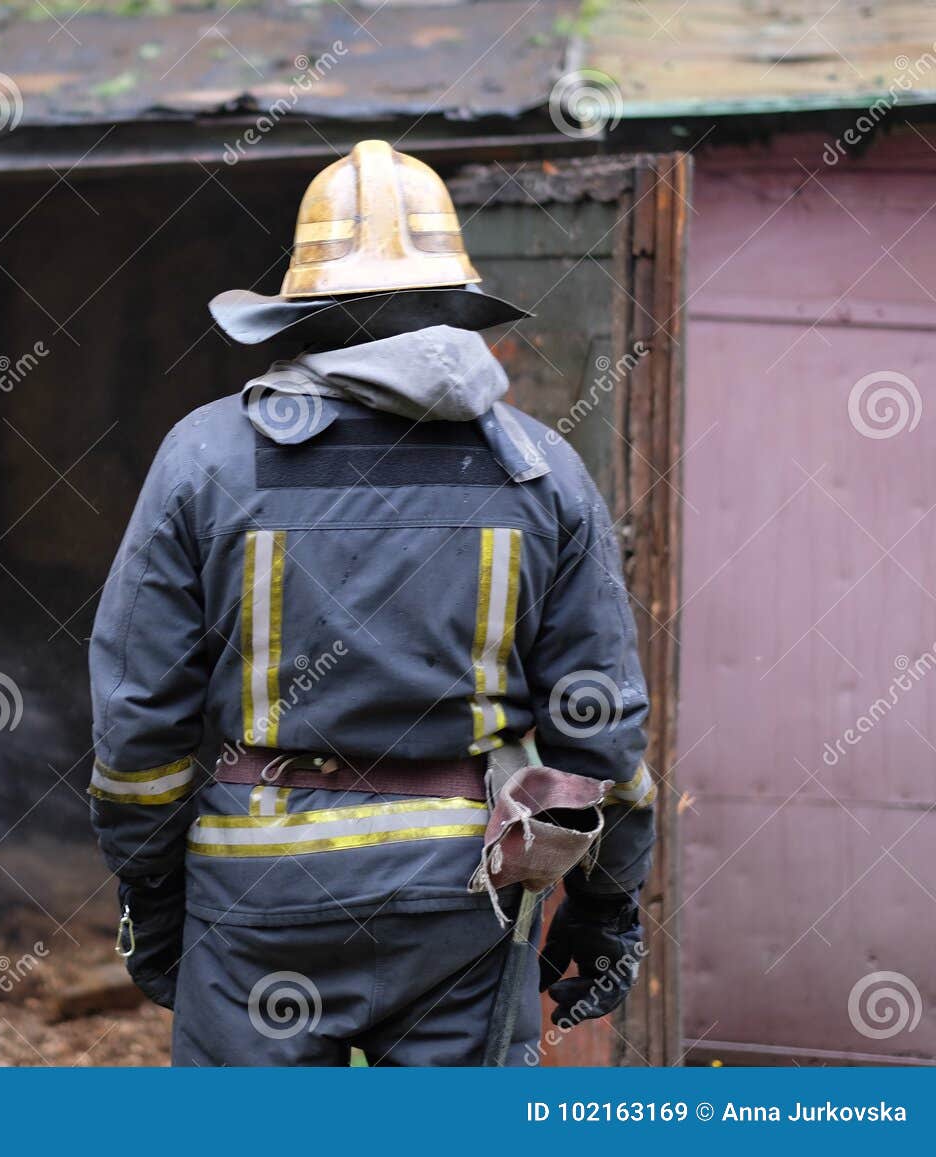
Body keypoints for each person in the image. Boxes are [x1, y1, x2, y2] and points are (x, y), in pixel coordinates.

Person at [88, 141, 656, 1065]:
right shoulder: (542, 472)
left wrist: (150, 891)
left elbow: (138, 724)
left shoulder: (207, 460)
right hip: (465, 896)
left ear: (306, 309)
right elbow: (602, 730)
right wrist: (607, 903)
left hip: (257, 894)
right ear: (457, 304)